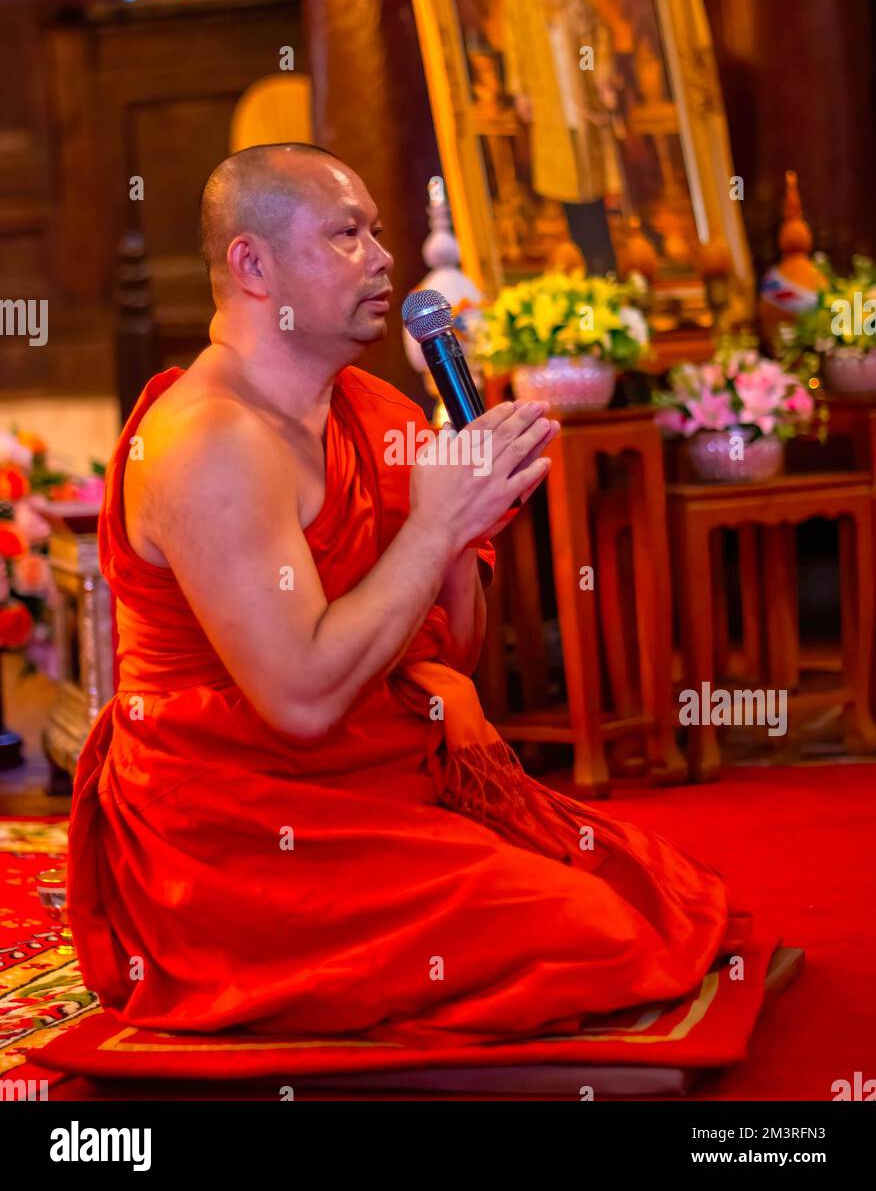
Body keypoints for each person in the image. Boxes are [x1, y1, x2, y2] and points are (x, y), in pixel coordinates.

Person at [68, 143, 753, 1044]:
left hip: (369, 774)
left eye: (378, 233)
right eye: (346, 235)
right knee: (592, 936)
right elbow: (303, 701)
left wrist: (464, 530)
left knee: (654, 894)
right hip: (226, 827)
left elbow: (444, 654)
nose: (384, 259)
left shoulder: (376, 413)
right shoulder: (210, 441)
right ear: (252, 264)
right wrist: (431, 527)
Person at [500, 0, 622, 275]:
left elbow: (594, 32)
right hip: (547, 90)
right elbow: (514, 38)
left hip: (578, 88)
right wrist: (520, 89)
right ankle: (580, 259)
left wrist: (599, 75)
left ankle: (605, 261)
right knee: (564, 176)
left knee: (590, 175)